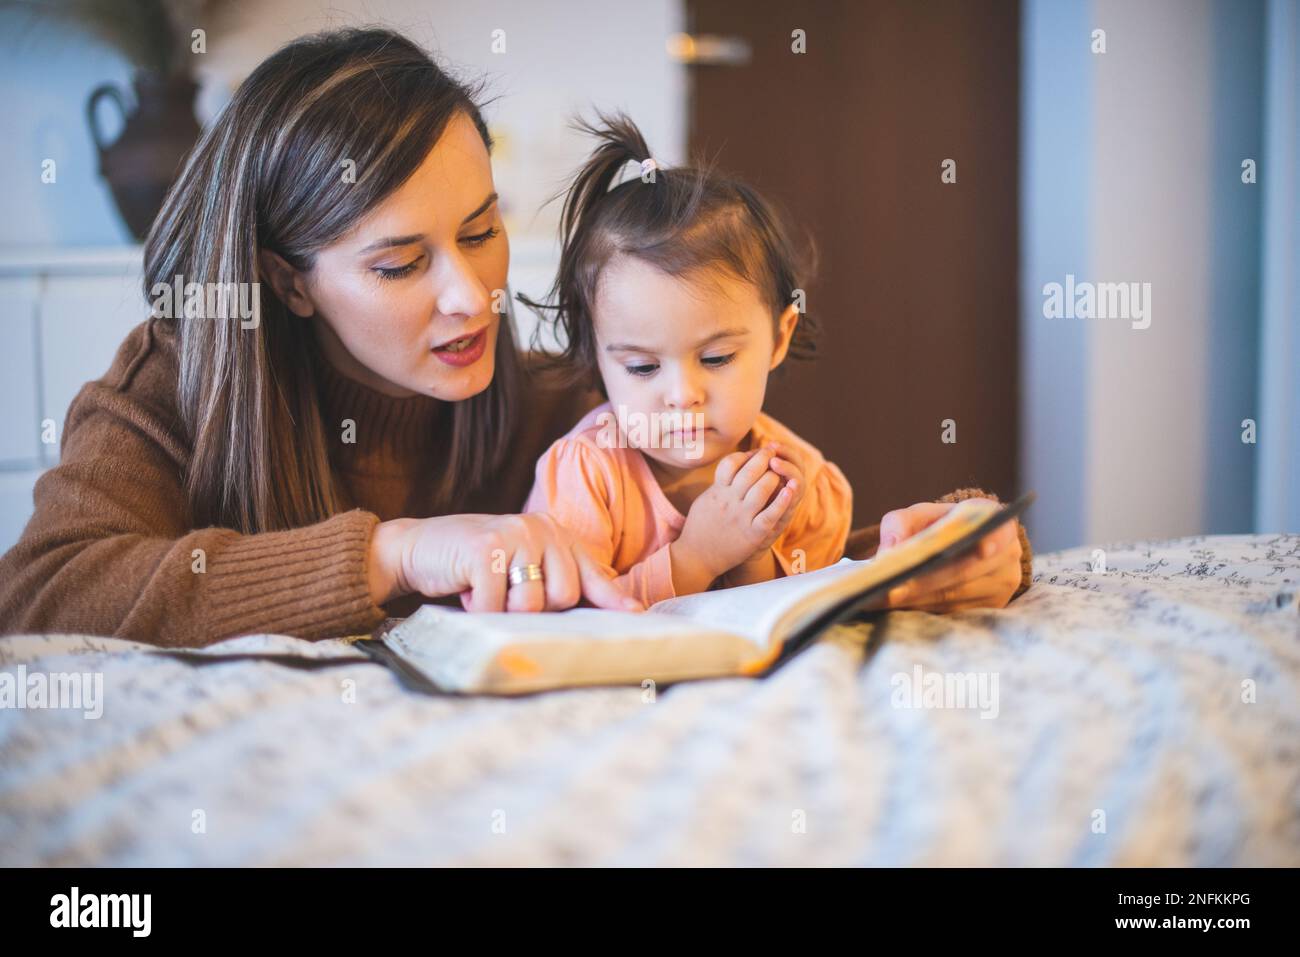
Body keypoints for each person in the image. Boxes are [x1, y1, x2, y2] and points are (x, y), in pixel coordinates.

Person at [0, 28, 1031, 648]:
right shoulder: (175, 380)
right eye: (401, 264)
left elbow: (715, 569)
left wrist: (935, 555)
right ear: (288, 282)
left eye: (483, 231)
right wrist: (397, 553)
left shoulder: (559, 400)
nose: (470, 298)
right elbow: (43, 597)